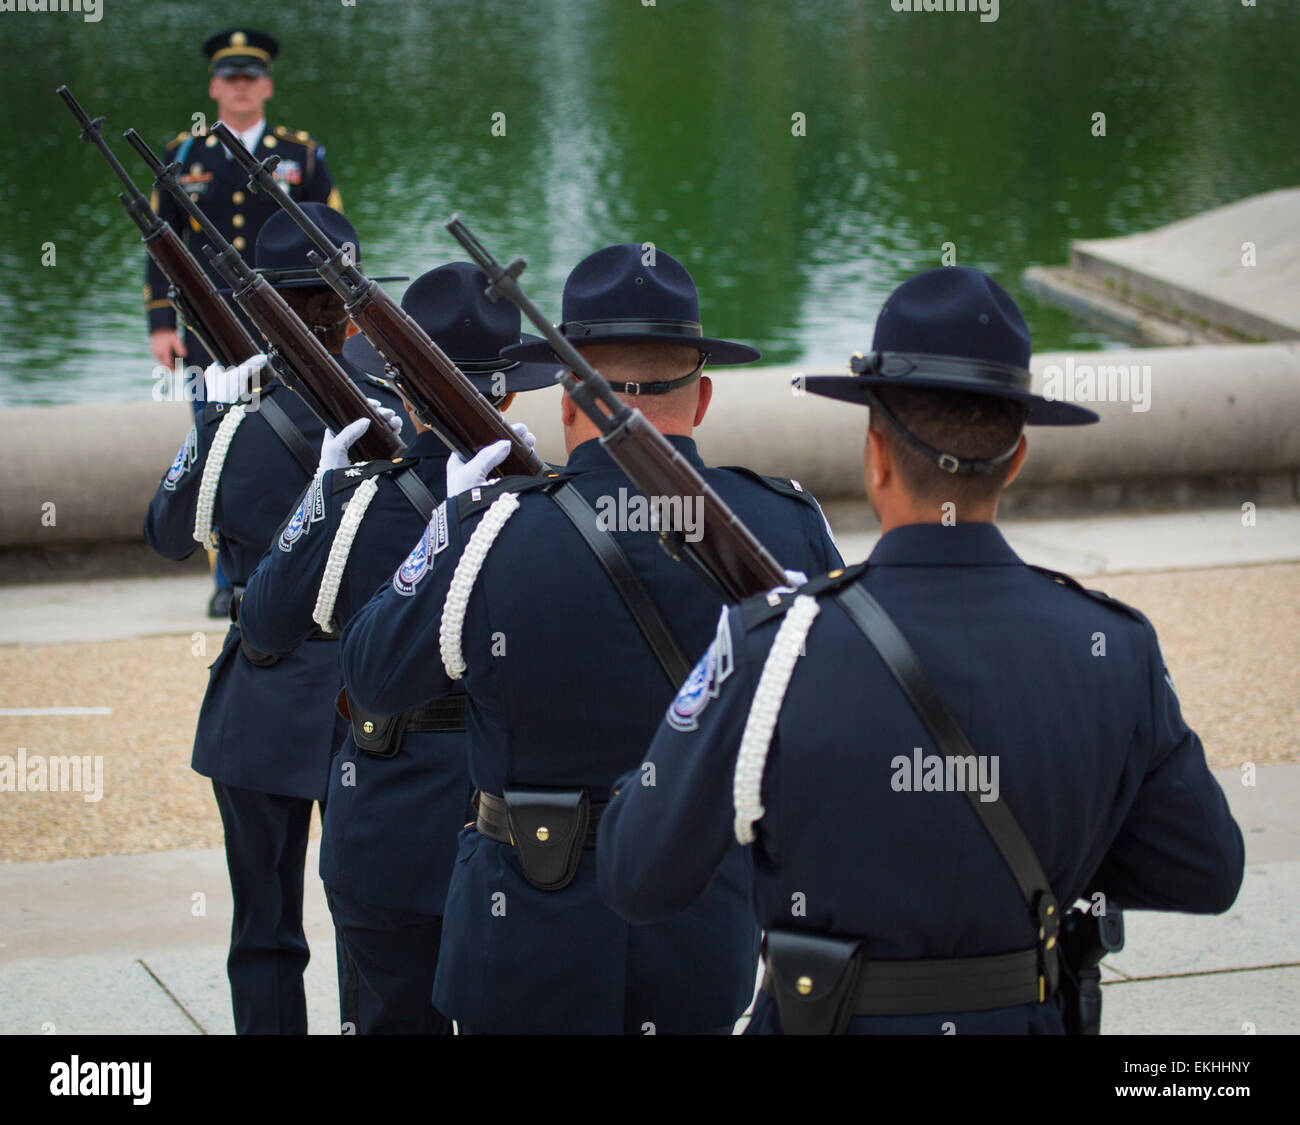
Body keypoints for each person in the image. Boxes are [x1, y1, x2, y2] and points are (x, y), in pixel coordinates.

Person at [596, 266, 1245, 1034]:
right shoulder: (1114, 648)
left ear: (875, 456)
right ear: (1016, 457)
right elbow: (1206, 869)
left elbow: (638, 876)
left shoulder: (776, 644)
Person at [339, 243, 844, 1034]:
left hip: (521, 944)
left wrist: (445, 521)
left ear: (568, 396)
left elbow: (372, 675)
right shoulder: (787, 526)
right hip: (702, 934)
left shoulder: (490, 528)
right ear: (703, 397)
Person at [237, 262, 554, 1034]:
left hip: (388, 832)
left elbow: (263, 628)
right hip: (520, 842)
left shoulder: (355, 504)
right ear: (508, 394)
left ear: (403, 395)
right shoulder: (551, 510)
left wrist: (319, 496)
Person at [142, 204, 406, 1035]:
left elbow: (164, 533)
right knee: (375, 924)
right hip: (372, 699)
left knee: (263, 932)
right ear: (352, 308)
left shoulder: (236, 420)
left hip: (264, 692)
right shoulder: (399, 411)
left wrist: (210, 420)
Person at [144, 27, 343, 617]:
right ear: (214, 87)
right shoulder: (183, 155)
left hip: (290, 322)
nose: (239, 87)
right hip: (211, 328)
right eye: (229, 78)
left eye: (249, 77)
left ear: (267, 86)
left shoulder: (303, 155)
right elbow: (162, 246)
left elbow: (334, 239)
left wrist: (336, 319)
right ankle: (226, 575)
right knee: (216, 439)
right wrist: (162, 322)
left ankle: (299, 555)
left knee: (297, 435)